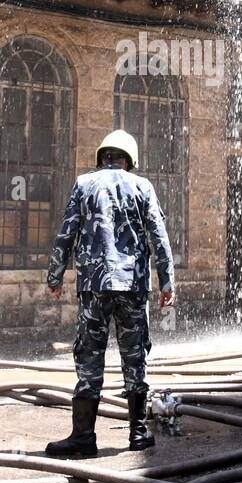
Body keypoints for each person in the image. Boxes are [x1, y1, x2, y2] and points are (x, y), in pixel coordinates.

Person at [44, 129, 175, 458]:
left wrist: (55, 275)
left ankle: (84, 437)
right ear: (130, 160)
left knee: (89, 358)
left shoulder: (83, 184)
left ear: (102, 157)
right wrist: (167, 281)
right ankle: (139, 434)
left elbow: (66, 232)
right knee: (135, 359)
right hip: (133, 286)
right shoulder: (142, 186)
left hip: (95, 286)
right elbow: (158, 235)